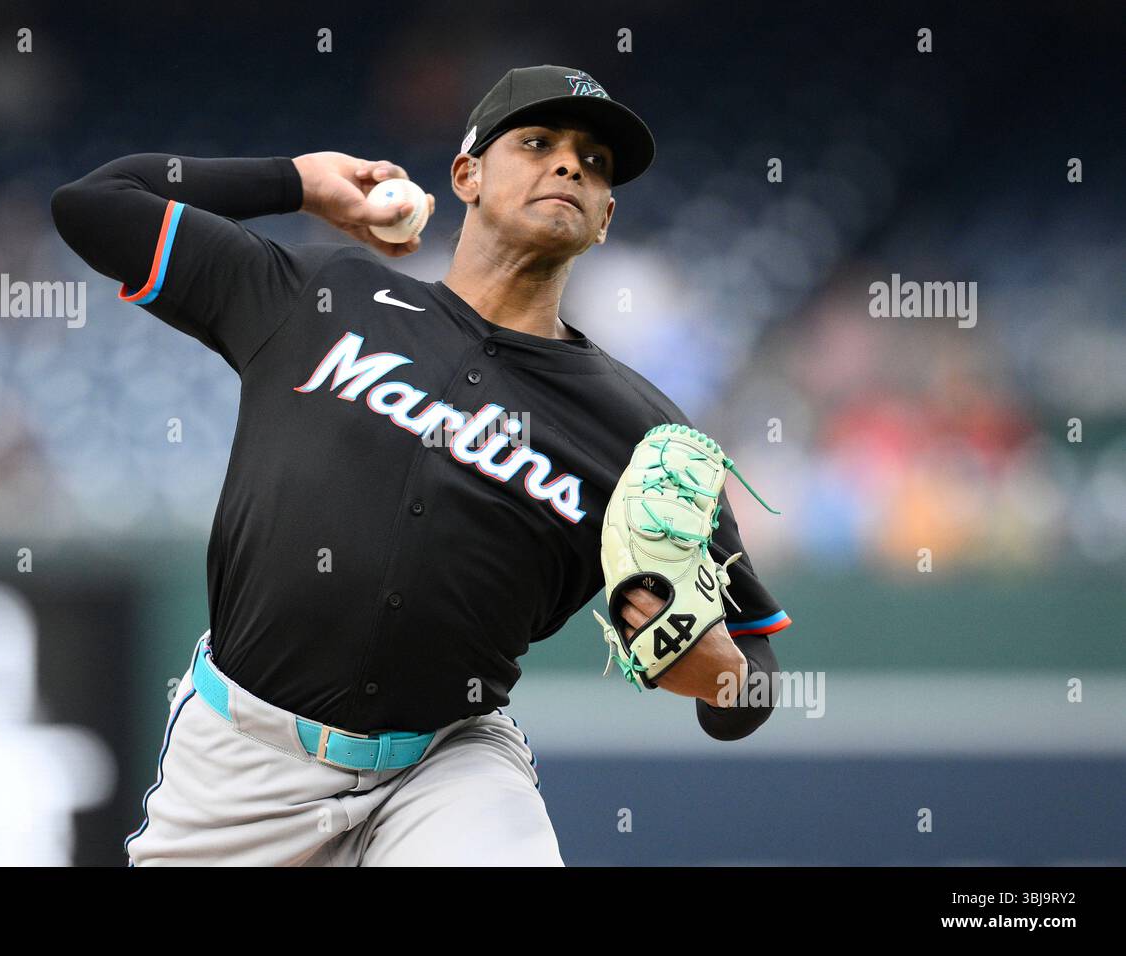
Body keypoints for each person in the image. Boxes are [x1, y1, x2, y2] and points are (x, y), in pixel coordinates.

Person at [51, 64, 792, 867]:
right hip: (241, 761)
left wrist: (709, 665)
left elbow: (751, 683)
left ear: (606, 216)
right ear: (466, 176)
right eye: (538, 142)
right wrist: (298, 182)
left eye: (595, 161)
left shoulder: (643, 433)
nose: (571, 165)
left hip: (447, 768)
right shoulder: (322, 296)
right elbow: (93, 206)